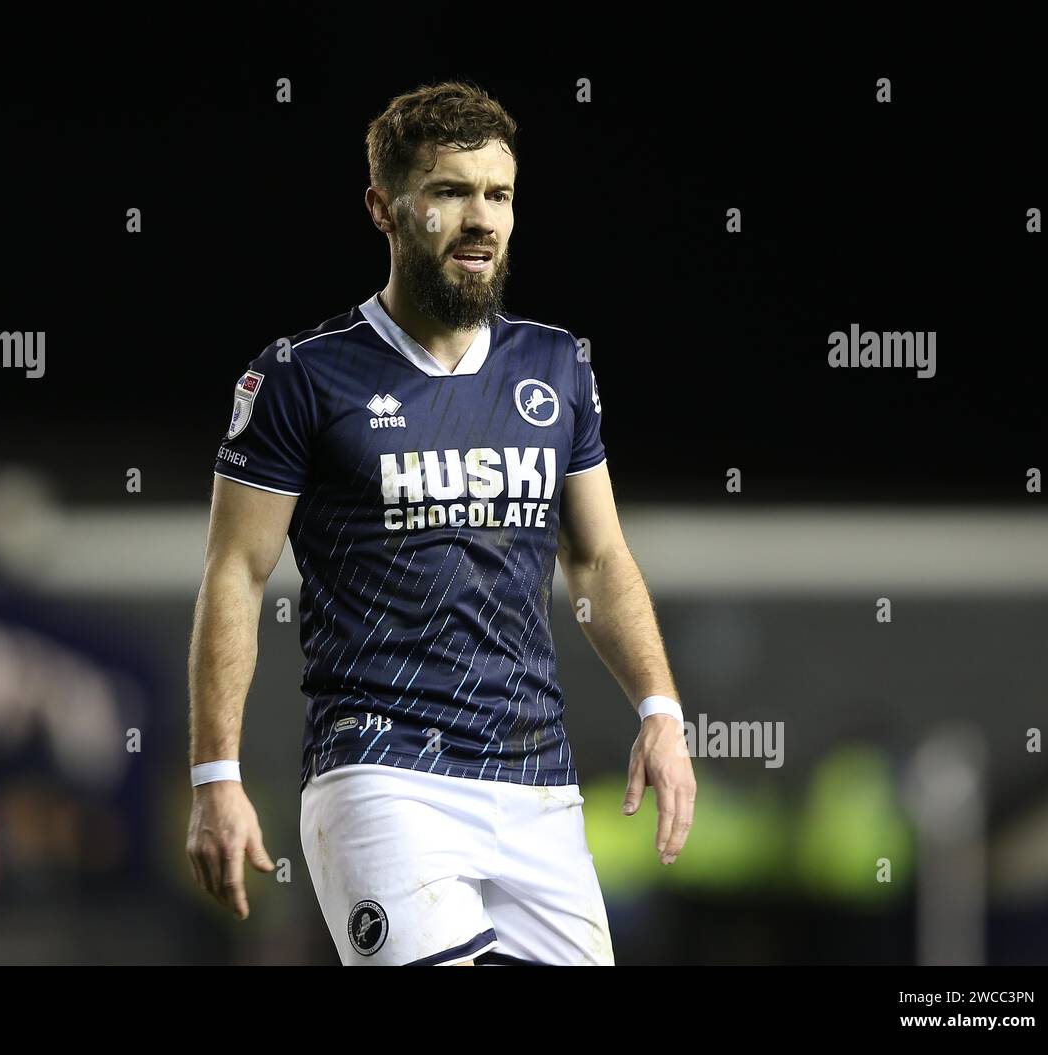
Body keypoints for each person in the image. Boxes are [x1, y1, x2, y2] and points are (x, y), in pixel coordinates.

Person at [186, 81, 695, 965]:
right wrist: (215, 776)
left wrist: (659, 706)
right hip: (382, 771)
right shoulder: (301, 377)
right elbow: (235, 571)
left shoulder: (557, 365)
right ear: (384, 208)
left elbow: (600, 557)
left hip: (537, 778)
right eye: (450, 192)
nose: (481, 218)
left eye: (497, 194)